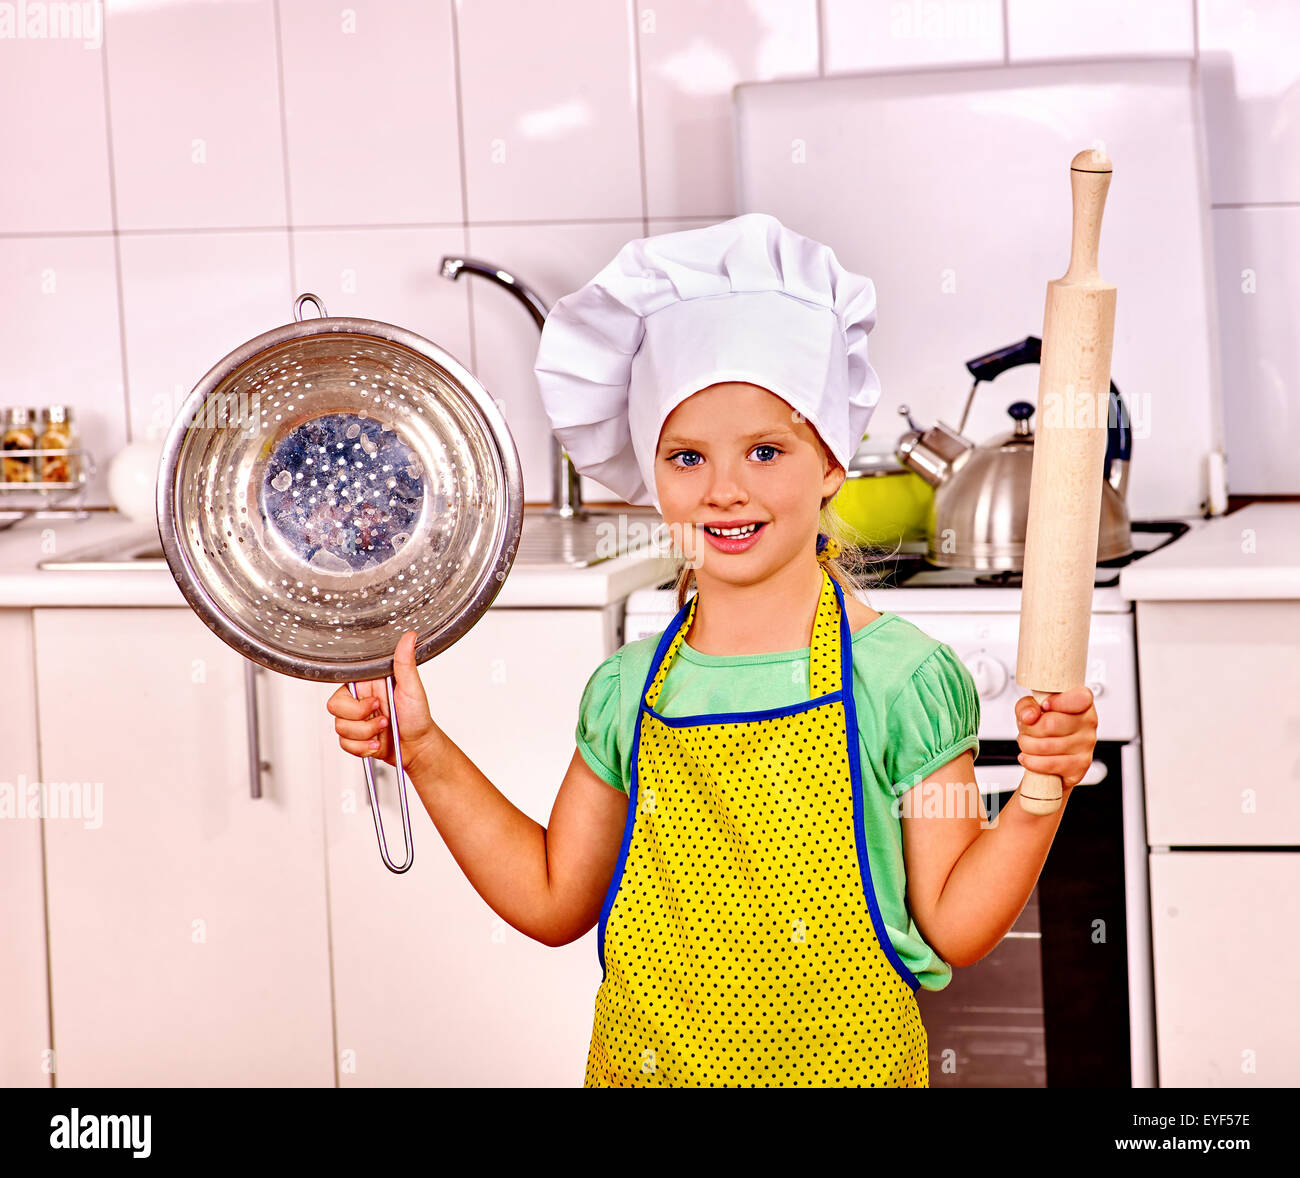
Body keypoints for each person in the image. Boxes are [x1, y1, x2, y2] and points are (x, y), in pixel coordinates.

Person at [326, 213, 1099, 1088]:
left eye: (766, 450)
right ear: (653, 477)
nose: (724, 489)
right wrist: (420, 749)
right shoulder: (628, 690)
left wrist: (1040, 795)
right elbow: (550, 900)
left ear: (832, 462)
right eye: (686, 457)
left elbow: (957, 924)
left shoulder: (902, 681)